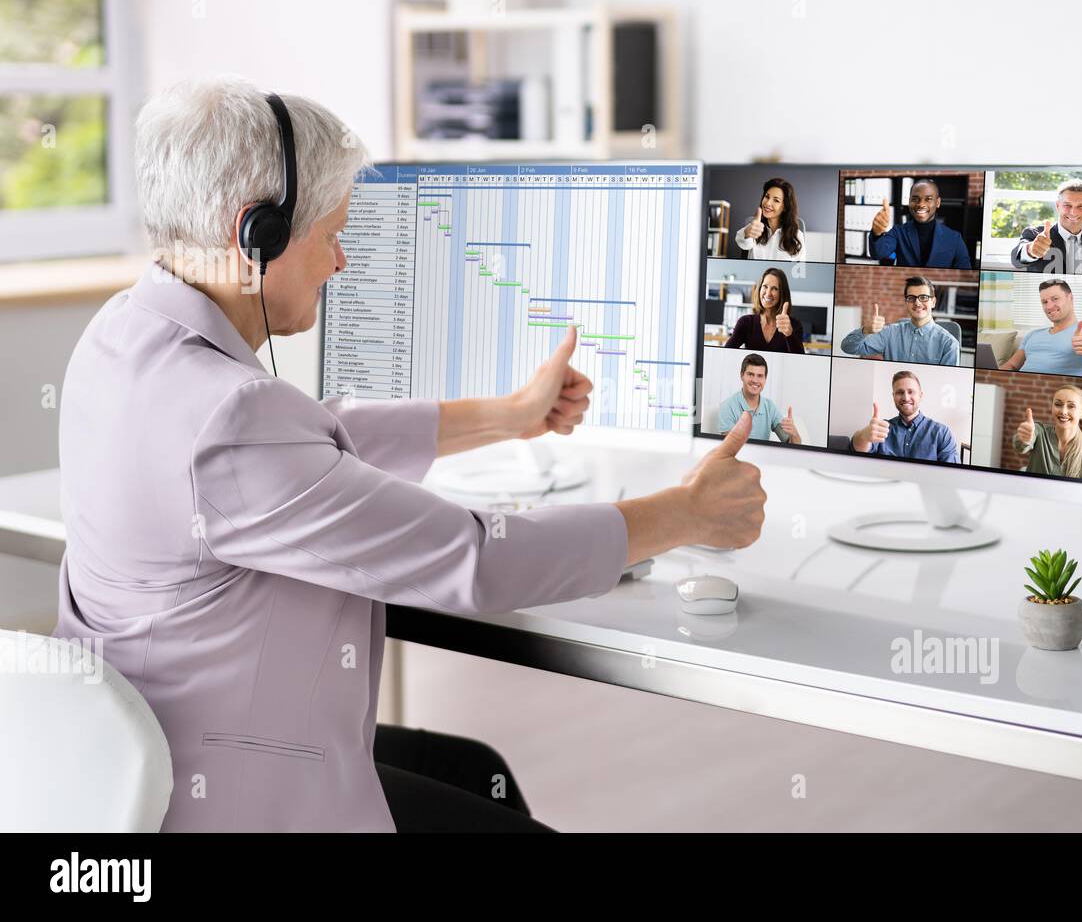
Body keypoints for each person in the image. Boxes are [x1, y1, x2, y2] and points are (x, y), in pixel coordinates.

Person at [53, 77, 768, 833]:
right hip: (230, 802)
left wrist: (507, 415)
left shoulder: (121, 335)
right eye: (332, 234)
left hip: (138, 768)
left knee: (474, 773)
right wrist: (683, 514)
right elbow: (476, 560)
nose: (342, 262)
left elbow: (305, 455)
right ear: (253, 236)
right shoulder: (230, 419)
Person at [1008, 178, 1082, 275]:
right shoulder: (1035, 235)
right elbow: (1016, 259)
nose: (1073, 212)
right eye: (1067, 205)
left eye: (1081, 206)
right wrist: (1030, 250)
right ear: (1058, 206)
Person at [839, 275, 960, 366]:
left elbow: (947, 383)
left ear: (933, 302)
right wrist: (865, 331)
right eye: (911, 298)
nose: (917, 303)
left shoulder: (949, 344)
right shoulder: (890, 333)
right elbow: (847, 348)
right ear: (906, 302)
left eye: (923, 297)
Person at [998, 279, 1082, 376]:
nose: (1049, 306)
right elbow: (1012, 365)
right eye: (1044, 302)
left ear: (1070, 298)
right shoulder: (1033, 334)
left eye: (1055, 299)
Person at [849, 371, 959, 462]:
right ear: (893, 396)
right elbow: (857, 452)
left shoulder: (941, 432)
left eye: (911, 392)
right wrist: (863, 436)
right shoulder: (882, 428)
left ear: (920, 395)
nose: (906, 398)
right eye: (900, 392)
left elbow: (952, 473)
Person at [867, 179, 972, 269]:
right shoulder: (898, 232)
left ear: (938, 203)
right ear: (909, 202)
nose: (921, 204)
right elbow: (878, 253)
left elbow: (964, 270)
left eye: (928, 199)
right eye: (915, 199)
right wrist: (877, 234)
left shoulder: (954, 238)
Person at [1012, 386, 1082, 480]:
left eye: (1071, 406)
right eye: (1058, 404)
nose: (1063, 411)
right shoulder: (1039, 431)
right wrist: (1024, 439)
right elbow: (1020, 447)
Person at [717, 353, 802, 444]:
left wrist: (794, 434)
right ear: (742, 375)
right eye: (750, 374)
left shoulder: (770, 407)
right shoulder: (727, 407)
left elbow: (792, 446)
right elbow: (728, 449)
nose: (755, 380)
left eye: (760, 376)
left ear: (765, 379)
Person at [724, 266, 805, 354]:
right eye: (765, 286)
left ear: (782, 293)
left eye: (774, 288)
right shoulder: (746, 322)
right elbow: (726, 352)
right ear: (759, 289)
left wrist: (789, 335)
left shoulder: (794, 325)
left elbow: (800, 361)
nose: (768, 293)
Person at [735, 177, 805, 261]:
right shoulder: (755, 227)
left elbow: (800, 270)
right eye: (767, 197)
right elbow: (742, 242)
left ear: (785, 207)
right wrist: (747, 233)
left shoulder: (797, 236)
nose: (767, 203)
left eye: (776, 200)